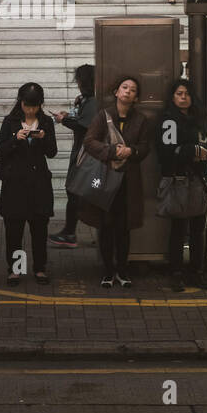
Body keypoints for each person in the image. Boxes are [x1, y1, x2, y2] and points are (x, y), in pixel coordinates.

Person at [80, 75, 153, 289]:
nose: (128, 91)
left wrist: (133, 150)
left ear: (136, 97)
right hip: (104, 179)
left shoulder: (140, 120)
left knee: (124, 227)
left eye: (132, 89)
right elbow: (89, 141)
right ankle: (107, 271)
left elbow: (146, 146)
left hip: (128, 182)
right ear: (116, 92)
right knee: (106, 225)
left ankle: (122, 270)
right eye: (124, 87)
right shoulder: (103, 116)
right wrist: (112, 151)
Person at [157, 78, 207, 292]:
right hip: (178, 180)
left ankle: (197, 271)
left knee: (199, 230)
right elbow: (166, 152)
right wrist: (193, 151)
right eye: (179, 94)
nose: (183, 97)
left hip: (201, 180)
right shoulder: (169, 120)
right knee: (178, 229)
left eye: (187, 94)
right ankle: (176, 273)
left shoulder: (203, 119)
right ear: (173, 97)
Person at [0, 82, 58, 286]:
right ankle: (16, 269)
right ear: (20, 102)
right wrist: (16, 138)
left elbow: (52, 152)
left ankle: (39, 268)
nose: (31, 109)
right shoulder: (11, 121)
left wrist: (42, 138)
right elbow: (1, 149)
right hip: (15, 184)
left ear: (40, 104)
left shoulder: (46, 122)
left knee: (39, 229)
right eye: (27, 105)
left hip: (38, 184)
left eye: (35, 106)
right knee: (15, 230)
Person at [49, 64, 96, 248]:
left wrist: (64, 119)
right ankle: (72, 232)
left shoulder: (92, 101)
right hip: (82, 152)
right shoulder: (86, 99)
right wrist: (69, 115)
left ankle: (70, 233)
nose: (76, 82)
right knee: (76, 190)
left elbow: (83, 125)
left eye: (78, 79)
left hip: (86, 155)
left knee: (75, 190)